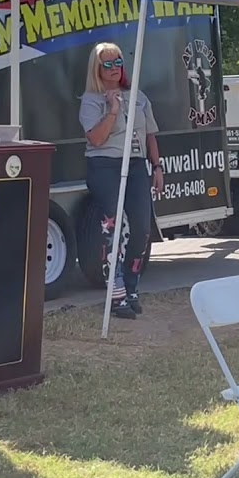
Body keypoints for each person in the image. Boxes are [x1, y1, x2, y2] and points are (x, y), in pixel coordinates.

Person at [79, 42, 164, 319]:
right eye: (108, 64)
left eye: (118, 62)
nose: (114, 68)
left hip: (137, 164)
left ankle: (131, 287)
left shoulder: (138, 96)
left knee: (141, 226)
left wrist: (157, 166)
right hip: (105, 165)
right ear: (97, 68)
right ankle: (115, 294)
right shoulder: (91, 100)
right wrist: (112, 109)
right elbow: (96, 138)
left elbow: (150, 133)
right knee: (112, 226)